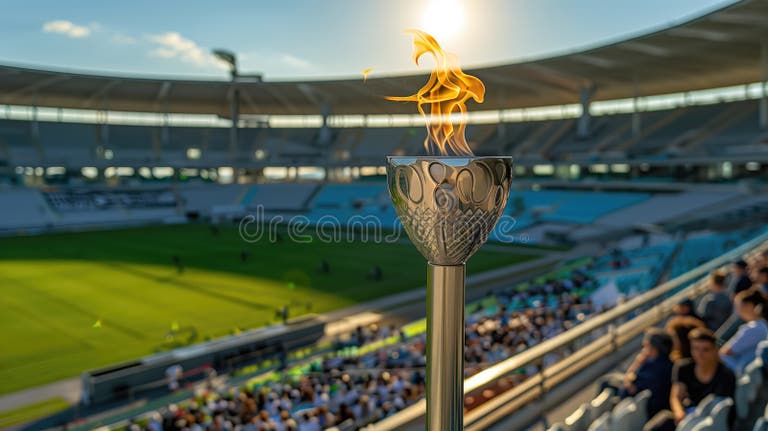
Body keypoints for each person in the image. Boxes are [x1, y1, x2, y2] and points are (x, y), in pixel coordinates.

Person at [644, 328, 736, 431]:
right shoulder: (683, 368)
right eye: (695, 348)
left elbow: (720, 412)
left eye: (705, 349)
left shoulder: (725, 375)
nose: (700, 354)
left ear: (715, 350)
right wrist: (679, 412)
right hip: (687, 416)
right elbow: (676, 395)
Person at [599, 328, 673, 417]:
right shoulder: (669, 364)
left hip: (639, 410)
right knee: (610, 379)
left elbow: (628, 389)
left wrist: (637, 364)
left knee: (606, 383)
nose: (644, 349)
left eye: (646, 346)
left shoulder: (651, 368)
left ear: (654, 348)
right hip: (650, 405)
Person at [720, 288, 768, 374]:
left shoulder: (754, 328)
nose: (738, 312)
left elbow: (725, 352)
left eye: (738, 307)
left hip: (742, 374)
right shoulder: (761, 325)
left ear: (749, 306)